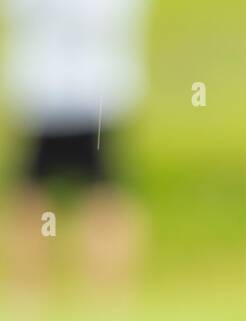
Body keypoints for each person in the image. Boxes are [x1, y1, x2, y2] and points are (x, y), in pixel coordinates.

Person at [5, 0, 149, 293]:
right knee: (31, 194)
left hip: (95, 91)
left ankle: (108, 290)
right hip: (43, 92)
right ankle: (28, 289)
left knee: (104, 193)